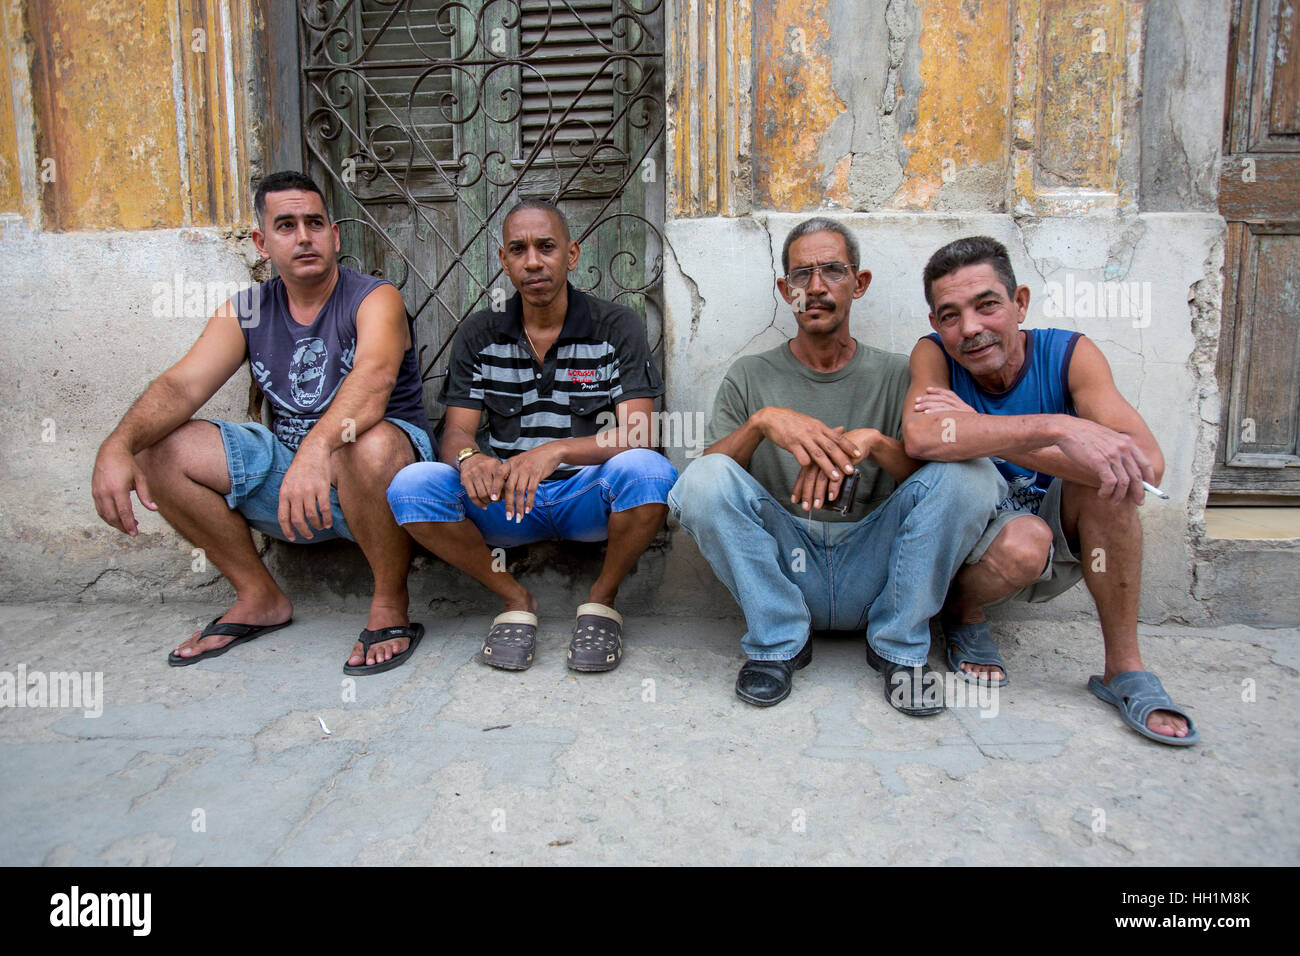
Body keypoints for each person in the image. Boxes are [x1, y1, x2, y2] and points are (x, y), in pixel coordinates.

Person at [91, 170, 435, 675]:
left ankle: (389, 604)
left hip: (382, 484)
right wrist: (117, 445)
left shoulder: (374, 297)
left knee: (367, 444)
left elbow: (373, 382)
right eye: (287, 225)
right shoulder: (247, 311)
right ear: (261, 241)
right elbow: (181, 387)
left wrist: (317, 452)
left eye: (315, 223)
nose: (304, 237)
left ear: (335, 235)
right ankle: (259, 597)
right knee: (156, 447)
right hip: (297, 484)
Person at [668, 217, 1004, 712]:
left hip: (877, 563)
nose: (817, 287)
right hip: (786, 566)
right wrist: (762, 422)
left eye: (833, 271)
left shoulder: (899, 372)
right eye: (802, 276)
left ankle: (900, 648)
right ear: (786, 290)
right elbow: (701, 484)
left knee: (971, 473)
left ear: (859, 283)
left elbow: (940, 487)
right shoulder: (750, 375)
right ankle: (778, 641)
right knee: (702, 477)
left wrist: (873, 444)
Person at [902, 235, 1198, 745]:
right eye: (950, 315)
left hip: (1058, 533)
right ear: (936, 325)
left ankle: (1123, 669)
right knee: (1024, 541)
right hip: (982, 543)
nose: (970, 329)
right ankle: (962, 614)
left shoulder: (1069, 354)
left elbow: (1146, 468)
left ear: (1019, 303)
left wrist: (986, 429)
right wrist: (1058, 429)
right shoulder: (933, 356)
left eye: (987, 305)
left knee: (1116, 485)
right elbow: (924, 435)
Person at [385, 199, 677, 672]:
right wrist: (469, 459)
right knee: (411, 487)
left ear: (572, 255)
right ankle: (514, 598)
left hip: (587, 496)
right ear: (504, 260)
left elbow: (640, 432)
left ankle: (601, 601)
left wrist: (556, 451)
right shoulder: (479, 333)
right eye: (518, 250)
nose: (533, 261)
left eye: (546, 247)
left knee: (649, 473)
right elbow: (458, 429)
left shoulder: (616, 326)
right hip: (505, 500)